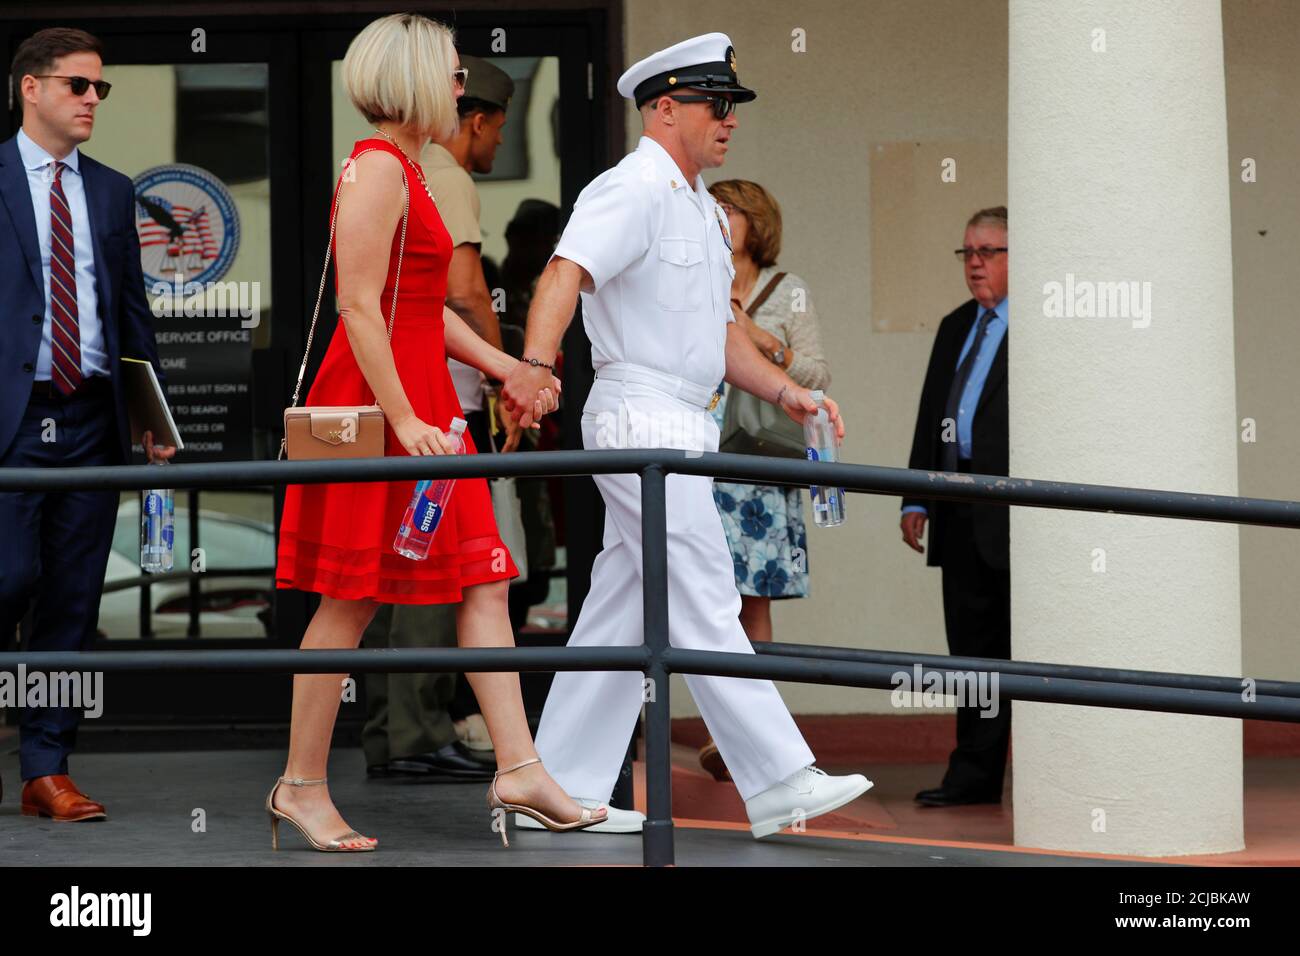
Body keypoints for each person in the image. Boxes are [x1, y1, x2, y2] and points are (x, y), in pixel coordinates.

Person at [501, 32, 872, 839]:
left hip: (682, 418)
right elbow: (564, 272)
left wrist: (791, 395)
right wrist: (534, 364)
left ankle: (553, 787)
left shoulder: (701, 208)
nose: (729, 120)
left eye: (732, 105)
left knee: (622, 610)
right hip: (639, 413)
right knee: (705, 588)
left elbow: (723, 336)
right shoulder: (630, 188)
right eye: (714, 104)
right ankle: (777, 779)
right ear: (664, 109)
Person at [270, 12, 604, 851]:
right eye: (454, 74)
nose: (464, 88)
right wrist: (408, 416)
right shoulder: (381, 167)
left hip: (420, 407)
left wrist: (505, 370)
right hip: (391, 406)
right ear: (417, 77)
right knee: (350, 597)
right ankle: (301, 785)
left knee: (485, 579)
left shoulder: (413, 170)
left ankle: (519, 766)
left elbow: (419, 310)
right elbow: (356, 305)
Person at [0, 27, 175, 822]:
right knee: (10, 579)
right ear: (29, 88)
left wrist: (150, 413)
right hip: (11, 417)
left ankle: (47, 766)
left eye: (100, 88)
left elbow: (127, 311)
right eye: (77, 85)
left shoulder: (109, 189)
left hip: (89, 416)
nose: (92, 99)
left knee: (72, 600)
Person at [360, 55, 522, 781]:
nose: (485, 139)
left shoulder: (412, 166)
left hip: (420, 390)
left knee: (421, 576)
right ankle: (416, 733)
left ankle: (407, 736)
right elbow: (459, 291)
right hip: (432, 400)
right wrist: (501, 374)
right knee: (427, 571)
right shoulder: (432, 172)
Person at [696, 179, 831, 782]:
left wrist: (758, 338)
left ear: (755, 221)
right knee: (706, 598)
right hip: (703, 458)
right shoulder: (696, 273)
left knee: (754, 601)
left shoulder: (789, 290)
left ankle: (754, 738)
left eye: (728, 208)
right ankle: (721, 731)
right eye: (713, 207)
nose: (718, 216)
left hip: (761, 464)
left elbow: (818, 371)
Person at [900, 206, 1010, 807]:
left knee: (1016, 650)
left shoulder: (1042, 329)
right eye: (967, 253)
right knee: (970, 651)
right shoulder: (955, 325)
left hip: (1017, 516)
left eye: (988, 252)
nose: (974, 264)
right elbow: (930, 417)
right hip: (958, 505)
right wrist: (916, 496)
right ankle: (973, 776)